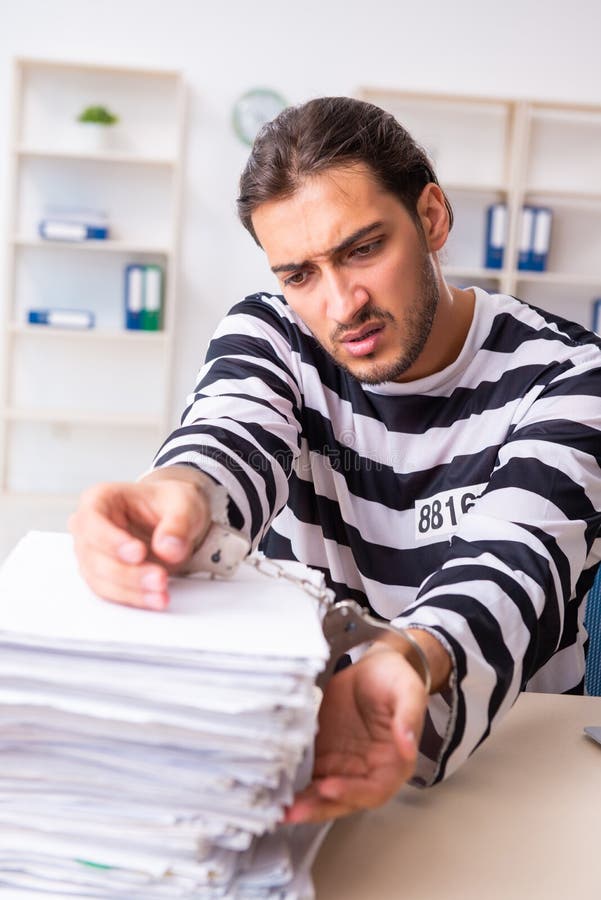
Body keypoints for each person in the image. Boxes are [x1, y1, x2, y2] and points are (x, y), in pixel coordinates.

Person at [70, 96, 601, 824]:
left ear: (433, 217)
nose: (340, 304)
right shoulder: (274, 336)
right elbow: (226, 435)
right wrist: (177, 493)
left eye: (362, 250)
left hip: (516, 764)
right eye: (299, 275)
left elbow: (514, 560)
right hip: (318, 742)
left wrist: (410, 657)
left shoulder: (568, 373)